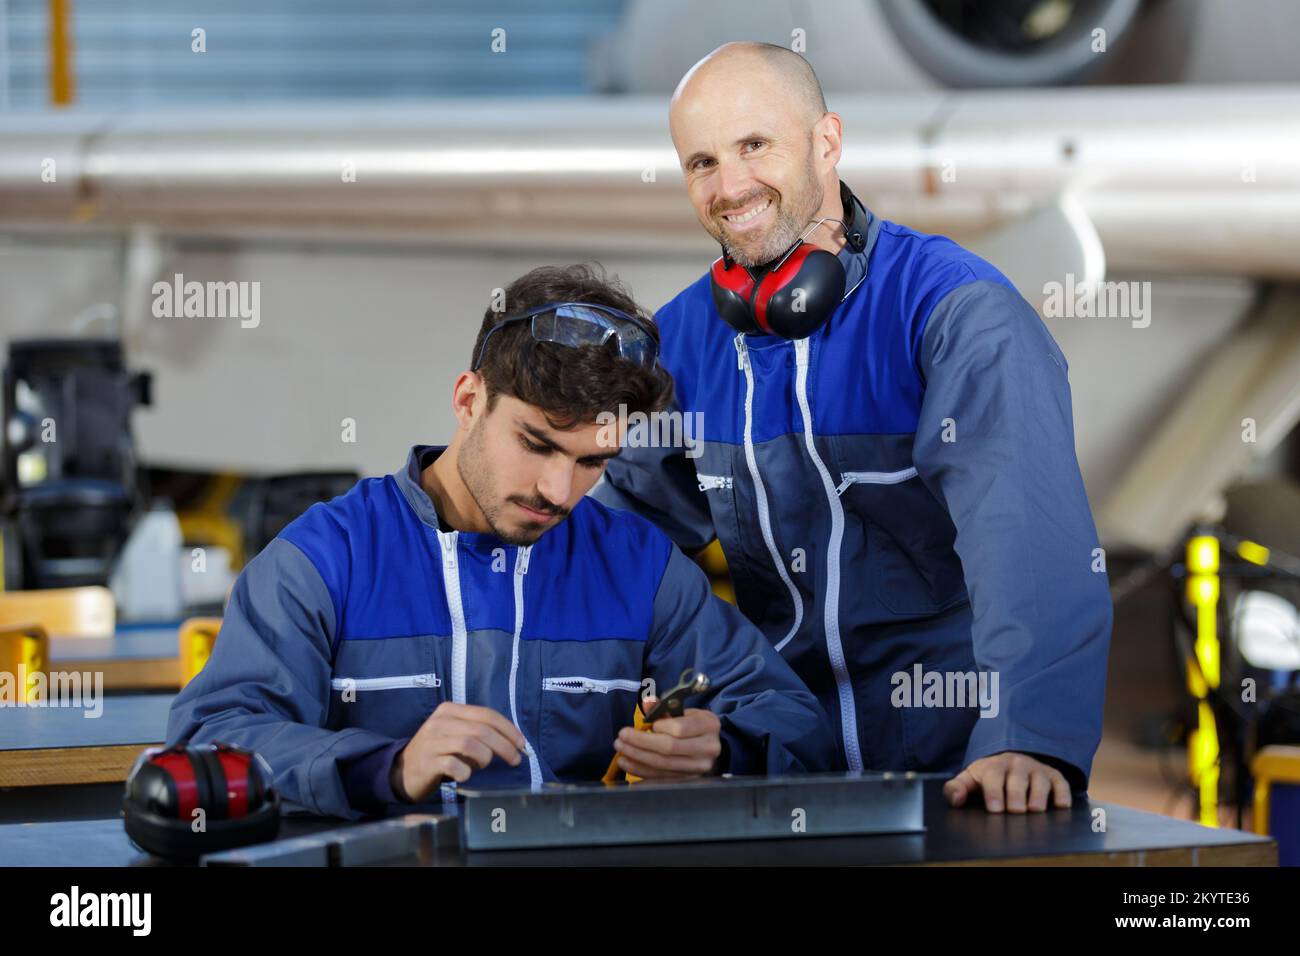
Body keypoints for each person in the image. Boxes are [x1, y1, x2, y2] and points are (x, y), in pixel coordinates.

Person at [592, 42, 1113, 814]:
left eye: (753, 145)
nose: (729, 185)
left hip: (963, 780)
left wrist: (1025, 738)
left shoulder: (957, 315)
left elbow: (1028, 544)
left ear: (827, 142)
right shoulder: (684, 344)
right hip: (777, 778)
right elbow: (612, 553)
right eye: (702, 162)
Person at [166, 263, 838, 820]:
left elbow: (794, 719)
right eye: (537, 443)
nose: (558, 490)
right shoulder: (322, 559)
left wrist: (728, 749)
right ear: (467, 401)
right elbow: (210, 740)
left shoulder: (638, 568)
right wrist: (387, 768)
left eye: (592, 461)